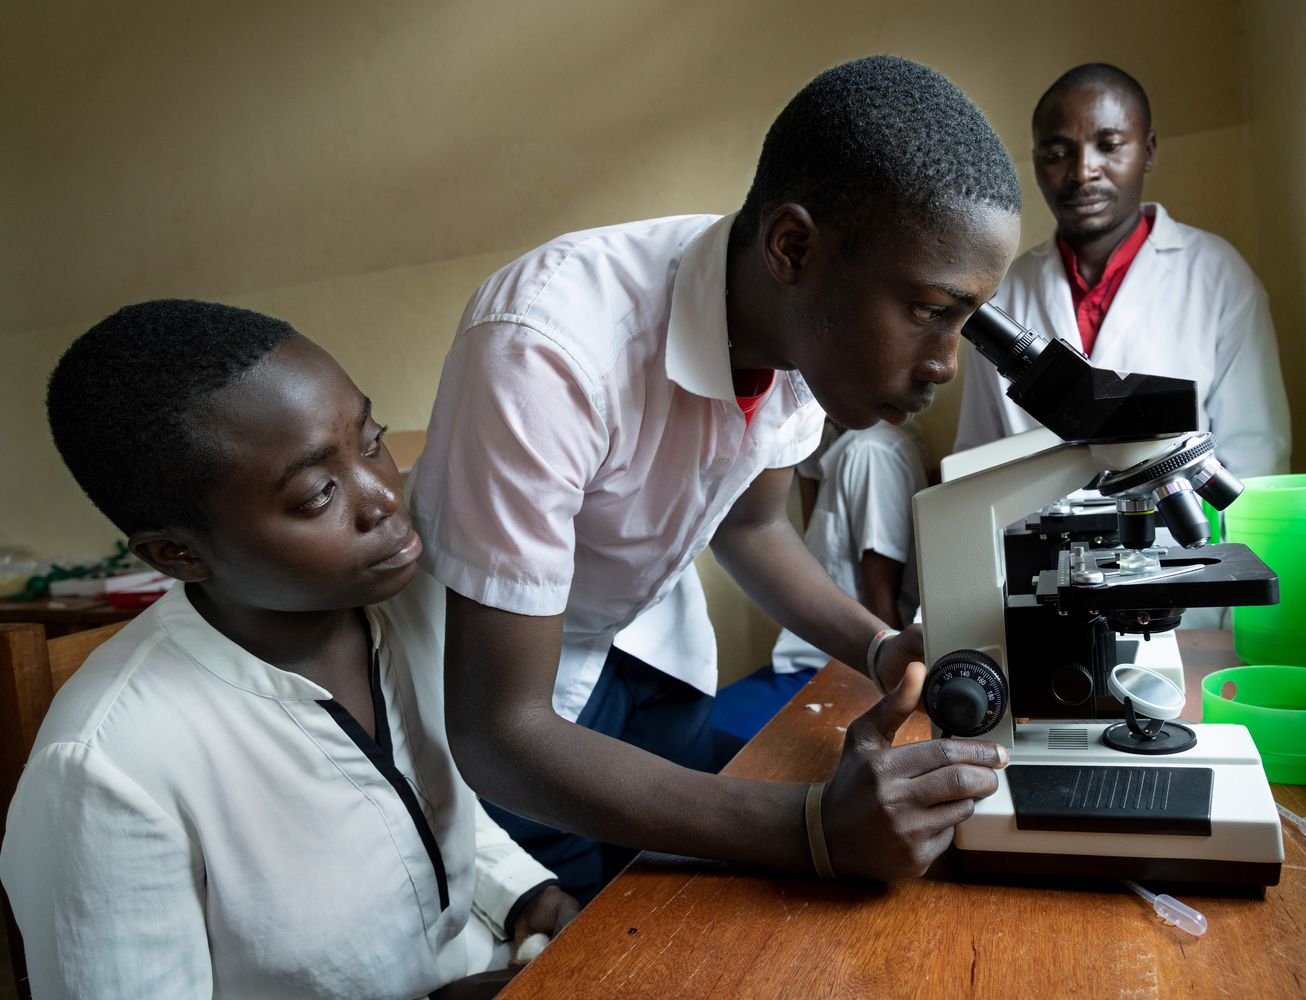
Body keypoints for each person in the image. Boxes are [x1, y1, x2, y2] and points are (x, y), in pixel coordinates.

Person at [409, 55, 1020, 901]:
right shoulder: (547, 349)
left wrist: (879, 649)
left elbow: (750, 526)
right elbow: (499, 733)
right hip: (519, 710)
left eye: (965, 322)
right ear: (793, 246)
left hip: (652, 654)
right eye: (928, 310)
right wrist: (811, 829)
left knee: (686, 909)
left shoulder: (800, 326)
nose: (949, 365)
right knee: (592, 932)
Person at [1, 300, 576, 1000]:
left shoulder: (399, 605)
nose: (382, 498)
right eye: (316, 494)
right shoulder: (108, 774)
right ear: (177, 553)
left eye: (371, 440)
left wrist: (524, 894)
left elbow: (407, 811)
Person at [954, 63, 1291, 480]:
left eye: (1109, 145)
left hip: (1184, 537)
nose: (1082, 172)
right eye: (1057, 154)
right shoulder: (1003, 293)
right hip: (1037, 539)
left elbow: (1255, 456)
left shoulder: (1218, 275)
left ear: (1148, 151)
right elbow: (977, 459)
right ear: (1036, 160)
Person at [710, 421, 929, 763]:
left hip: (831, 666)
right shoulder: (840, 443)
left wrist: (891, 691)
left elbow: (879, 587)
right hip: (825, 655)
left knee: (700, 736)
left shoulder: (870, 452)